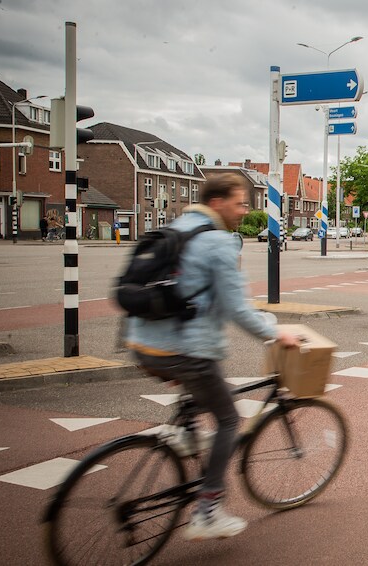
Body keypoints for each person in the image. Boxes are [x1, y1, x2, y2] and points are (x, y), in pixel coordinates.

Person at [126, 174, 301, 541]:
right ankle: (207, 510)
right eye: (240, 203)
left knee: (198, 387)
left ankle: (187, 433)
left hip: (142, 342)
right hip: (183, 349)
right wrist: (276, 332)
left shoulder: (178, 225)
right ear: (218, 203)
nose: (246, 210)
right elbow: (237, 308)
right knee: (227, 420)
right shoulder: (219, 242)